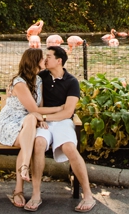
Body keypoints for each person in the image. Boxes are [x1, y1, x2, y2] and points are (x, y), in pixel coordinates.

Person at [30, 45, 97, 212]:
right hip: (44, 121)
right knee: (38, 143)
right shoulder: (41, 77)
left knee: (69, 147)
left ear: (59, 61)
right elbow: (32, 102)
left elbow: (68, 111)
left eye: (49, 57)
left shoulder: (72, 82)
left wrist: (45, 117)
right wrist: (41, 119)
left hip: (62, 121)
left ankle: (88, 194)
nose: (45, 59)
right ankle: (36, 194)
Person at [0, 47, 47, 210]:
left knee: (31, 124)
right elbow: (34, 109)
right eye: (41, 58)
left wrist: (40, 117)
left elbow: (40, 107)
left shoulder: (38, 81)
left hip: (27, 123)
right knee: (31, 121)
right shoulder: (19, 83)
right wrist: (61, 109)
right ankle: (24, 167)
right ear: (34, 62)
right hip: (10, 123)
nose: (44, 60)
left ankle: (19, 189)